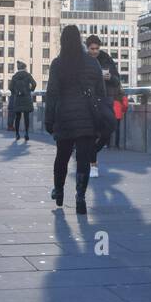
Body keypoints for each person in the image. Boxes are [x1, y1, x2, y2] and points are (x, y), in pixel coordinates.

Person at [45, 25, 106, 214]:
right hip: (86, 118)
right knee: (83, 159)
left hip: (64, 117)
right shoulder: (91, 63)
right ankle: (80, 197)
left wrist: (49, 120)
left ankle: (59, 191)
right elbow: (101, 92)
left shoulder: (57, 64)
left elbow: (52, 94)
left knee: (62, 157)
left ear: (62, 41)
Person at [85, 35, 122, 177]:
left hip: (105, 99)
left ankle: (92, 151)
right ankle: (93, 165)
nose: (94, 51)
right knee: (91, 132)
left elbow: (117, 80)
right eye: (92, 49)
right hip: (87, 100)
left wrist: (109, 77)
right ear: (87, 48)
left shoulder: (106, 58)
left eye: (97, 49)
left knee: (111, 126)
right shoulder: (82, 60)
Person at [9, 61, 37, 142]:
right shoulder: (28, 75)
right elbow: (34, 84)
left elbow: (10, 87)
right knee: (26, 117)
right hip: (26, 98)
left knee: (17, 117)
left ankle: (17, 134)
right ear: (24, 68)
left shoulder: (15, 76)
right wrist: (30, 90)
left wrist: (15, 93)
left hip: (17, 98)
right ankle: (26, 133)